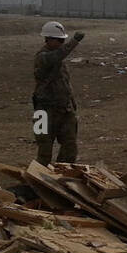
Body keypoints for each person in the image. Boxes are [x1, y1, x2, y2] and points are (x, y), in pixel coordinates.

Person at [33, 21, 84, 165]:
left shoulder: (59, 61)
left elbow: (65, 84)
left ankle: (62, 175)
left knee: (70, 147)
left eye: (63, 40)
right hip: (43, 111)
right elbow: (58, 55)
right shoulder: (43, 57)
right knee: (44, 150)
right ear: (48, 39)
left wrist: (72, 104)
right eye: (60, 40)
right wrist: (74, 42)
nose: (62, 43)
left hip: (64, 110)